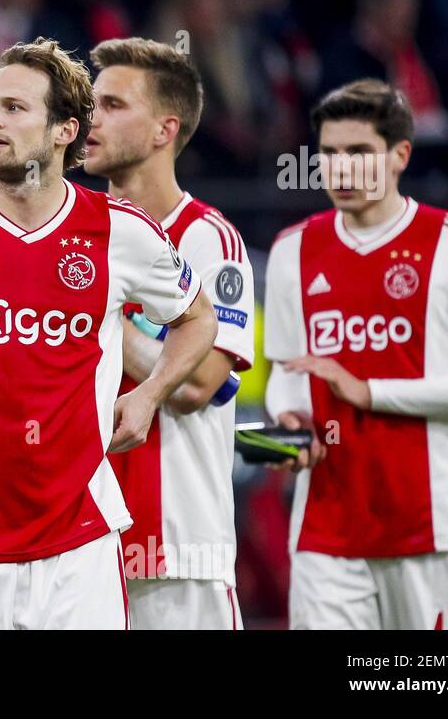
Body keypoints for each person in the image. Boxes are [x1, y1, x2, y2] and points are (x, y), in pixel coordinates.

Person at [0, 37, 217, 629]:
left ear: (64, 130)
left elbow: (199, 318)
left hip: (82, 546)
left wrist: (149, 395)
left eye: (14, 108)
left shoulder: (121, 231)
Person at [264, 79, 448, 629]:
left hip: (436, 530)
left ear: (400, 155)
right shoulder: (292, 250)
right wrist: (287, 419)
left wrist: (371, 391)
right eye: (329, 155)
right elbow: (288, 371)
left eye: (359, 153)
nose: (340, 170)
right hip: (325, 534)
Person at [84, 37, 254, 629]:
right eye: (89, 103)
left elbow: (198, 384)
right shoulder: (70, 234)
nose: (90, 118)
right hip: (80, 545)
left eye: (112, 105)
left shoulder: (209, 240)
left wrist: (101, 321)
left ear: (164, 130)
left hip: (178, 551)